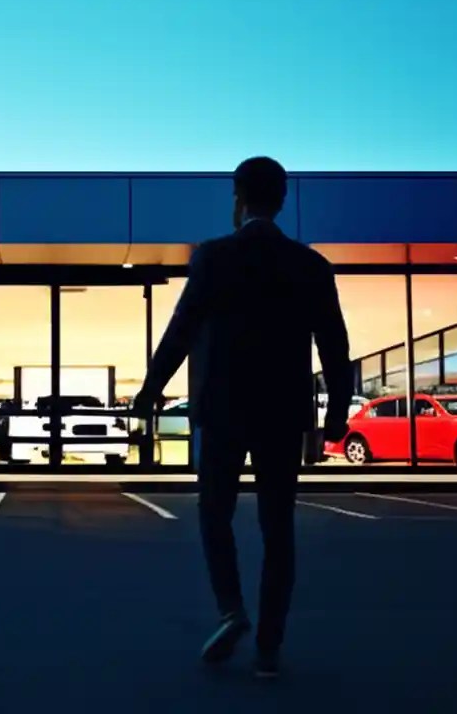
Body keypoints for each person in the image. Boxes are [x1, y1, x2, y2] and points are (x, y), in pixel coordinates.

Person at [131, 156, 352, 678]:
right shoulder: (310, 265)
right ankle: (269, 650)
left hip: (223, 408)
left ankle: (231, 609)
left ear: (238, 197)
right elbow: (334, 344)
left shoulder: (214, 257)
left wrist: (151, 390)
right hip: (283, 413)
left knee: (215, 514)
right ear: (283, 199)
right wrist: (337, 412)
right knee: (278, 527)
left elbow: (181, 330)